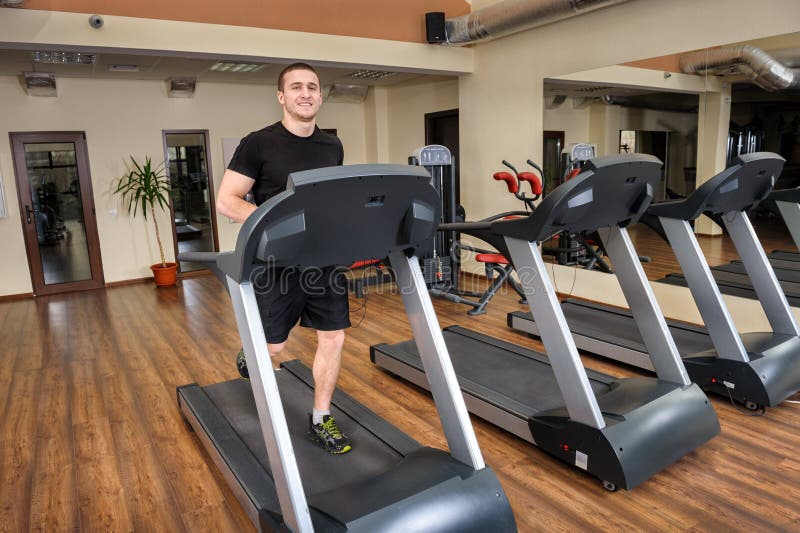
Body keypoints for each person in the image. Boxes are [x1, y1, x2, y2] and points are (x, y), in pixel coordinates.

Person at [216, 63, 351, 454]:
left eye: (312, 87)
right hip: (277, 262)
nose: (305, 93)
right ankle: (254, 351)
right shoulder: (259, 143)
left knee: (334, 338)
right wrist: (277, 224)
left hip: (323, 259)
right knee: (274, 347)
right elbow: (227, 201)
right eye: (296, 87)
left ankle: (321, 418)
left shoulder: (332, 146)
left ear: (320, 96)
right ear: (281, 96)